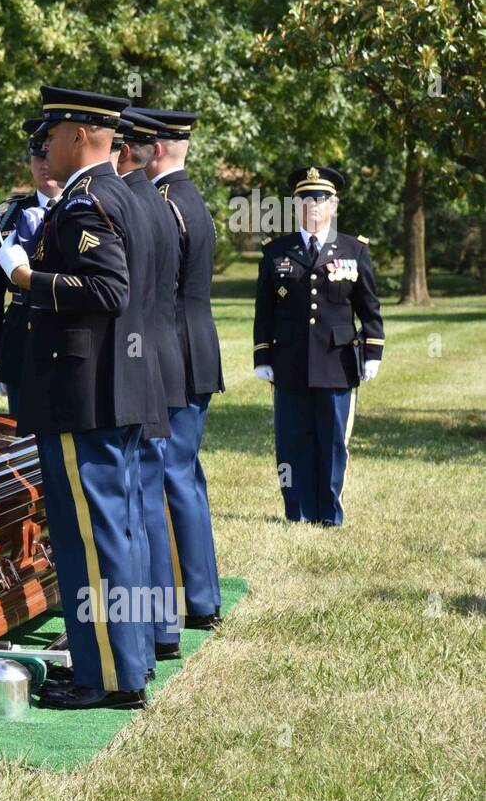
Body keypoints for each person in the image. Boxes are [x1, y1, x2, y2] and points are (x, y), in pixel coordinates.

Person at [0, 86, 152, 710]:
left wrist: (25, 277)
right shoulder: (124, 194)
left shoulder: (87, 201)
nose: (47, 146)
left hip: (81, 394)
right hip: (111, 387)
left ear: (81, 136)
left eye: (54, 134)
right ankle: (122, 663)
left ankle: (108, 677)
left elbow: (108, 289)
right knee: (112, 531)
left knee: (89, 538)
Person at [254, 166, 384, 526]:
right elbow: (264, 310)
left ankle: (329, 511)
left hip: (337, 361)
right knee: (291, 439)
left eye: (320, 198)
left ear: (334, 205)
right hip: (290, 361)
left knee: (331, 441)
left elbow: (369, 308)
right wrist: (263, 354)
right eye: (304, 198)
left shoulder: (353, 250)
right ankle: (296, 510)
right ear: (295, 205)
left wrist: (373, 352)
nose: (312, 205)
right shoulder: (276, 250)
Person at [135, 105, 224, 629]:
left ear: (160, 148)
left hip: (176, 351)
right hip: (197, 347)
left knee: (170, 474)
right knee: (185, 475)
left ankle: (181, 602)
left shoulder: (165, 202)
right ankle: (203, 595)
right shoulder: (190, 198)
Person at [118, 109, 187, 662]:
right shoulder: (154, 203)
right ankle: (160, 627)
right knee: (147, 502)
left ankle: (145, 635)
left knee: (138, 503)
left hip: (136, 366)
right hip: (156, 360)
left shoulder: (131, 205)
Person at [0, 118, 63, 415]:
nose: (44, 164)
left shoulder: (88, 206)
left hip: (70, 339)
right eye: (38, 156)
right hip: (20, 340)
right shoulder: (7, 215)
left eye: (49, 155)